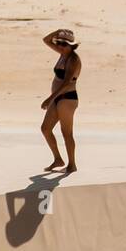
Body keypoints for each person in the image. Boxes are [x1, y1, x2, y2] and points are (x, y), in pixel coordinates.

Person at [40, 28, 81, 173]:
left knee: (66, 133)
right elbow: (46, 40)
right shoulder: (62, 54)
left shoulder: (73, 60)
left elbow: (67, 83)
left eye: (65, 44)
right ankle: (58, 159)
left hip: (67, 99)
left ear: (72, 46)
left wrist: (49, 98)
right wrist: (57, 32)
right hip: (58, 98)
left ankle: (72, 164)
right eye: (60, 43)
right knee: (45, 129)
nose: (61, 46)